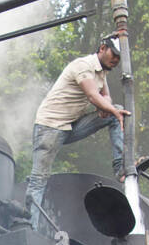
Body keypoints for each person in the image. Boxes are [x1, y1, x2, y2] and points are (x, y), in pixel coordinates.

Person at [26, 34, 131, 232]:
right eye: (114, 54)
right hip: (50, 127)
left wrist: (107, 107)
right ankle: (30, 228)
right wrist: (109, 108)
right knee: (39, 179)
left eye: (119, 58)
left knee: (115, 113)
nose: (115, 60)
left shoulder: (102, 73)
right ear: (102, 48)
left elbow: (105, 96)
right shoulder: (83, 66)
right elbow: (92, 94)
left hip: (70, 127)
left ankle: (120, 167)